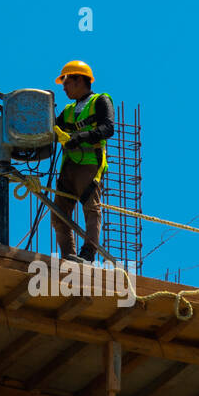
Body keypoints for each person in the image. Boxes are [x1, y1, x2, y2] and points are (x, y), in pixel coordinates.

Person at [50, 60, 114, 263]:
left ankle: (87, 255)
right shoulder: (68, 110)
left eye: (67, 82)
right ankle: (69, 256)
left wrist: (79, 137)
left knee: (91, 209)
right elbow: (49, 129)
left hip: (89, 163)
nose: (64, 87)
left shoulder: (100, 101)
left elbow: (107, 128)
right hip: (69, 165)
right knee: (59, 214)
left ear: (79, 79)